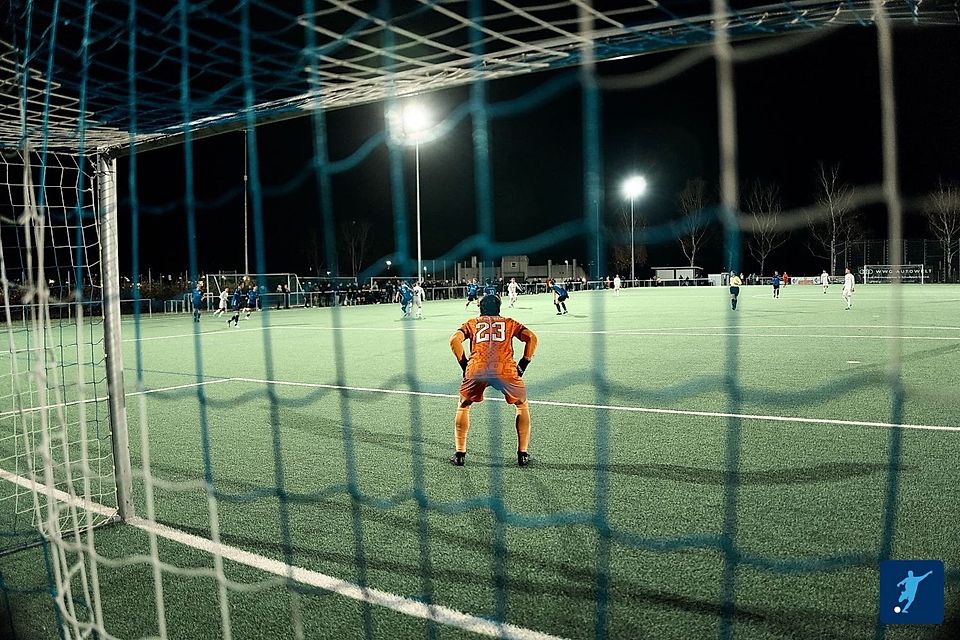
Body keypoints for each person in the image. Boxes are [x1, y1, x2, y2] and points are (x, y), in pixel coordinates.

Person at [449, 294, 538, 467]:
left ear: (480, 308)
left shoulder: (472, 323)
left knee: (464, 405)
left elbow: (454, 340)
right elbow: (532, 338)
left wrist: (464, 365)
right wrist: (523, 364)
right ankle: (523, 454)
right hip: (505, 369)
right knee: (521, 405)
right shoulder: (509, 322)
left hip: (477, 369)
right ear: (499, 308)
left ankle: (460, 454)